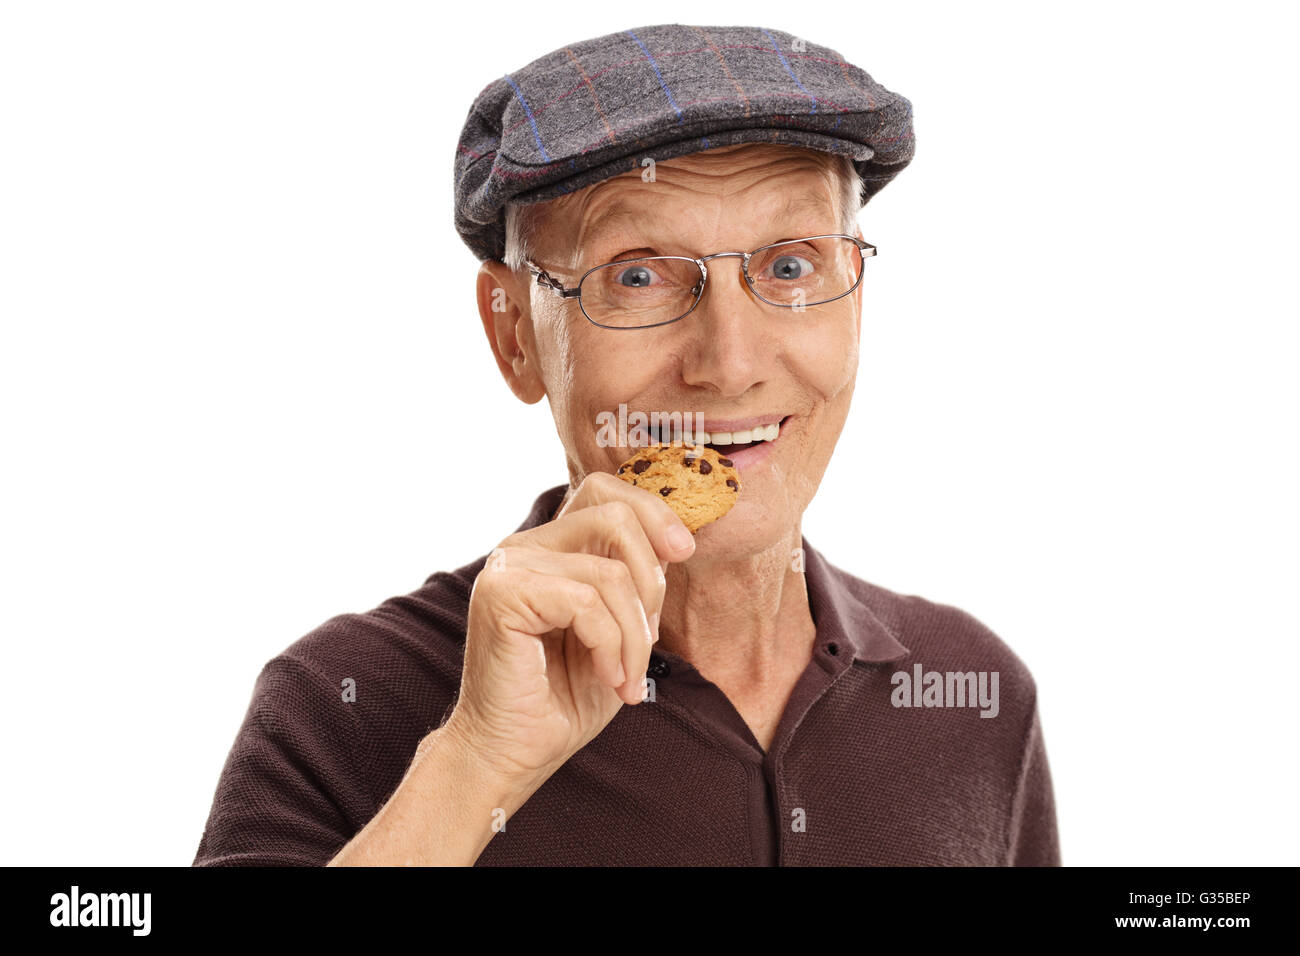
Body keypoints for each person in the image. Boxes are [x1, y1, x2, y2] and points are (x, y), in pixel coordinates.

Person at [193, 23, 1060, 866]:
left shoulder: (976, 694)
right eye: (637, 275)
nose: (730, 364)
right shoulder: (340, 707)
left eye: (791, 266)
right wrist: (472, 767)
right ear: (513, 336)